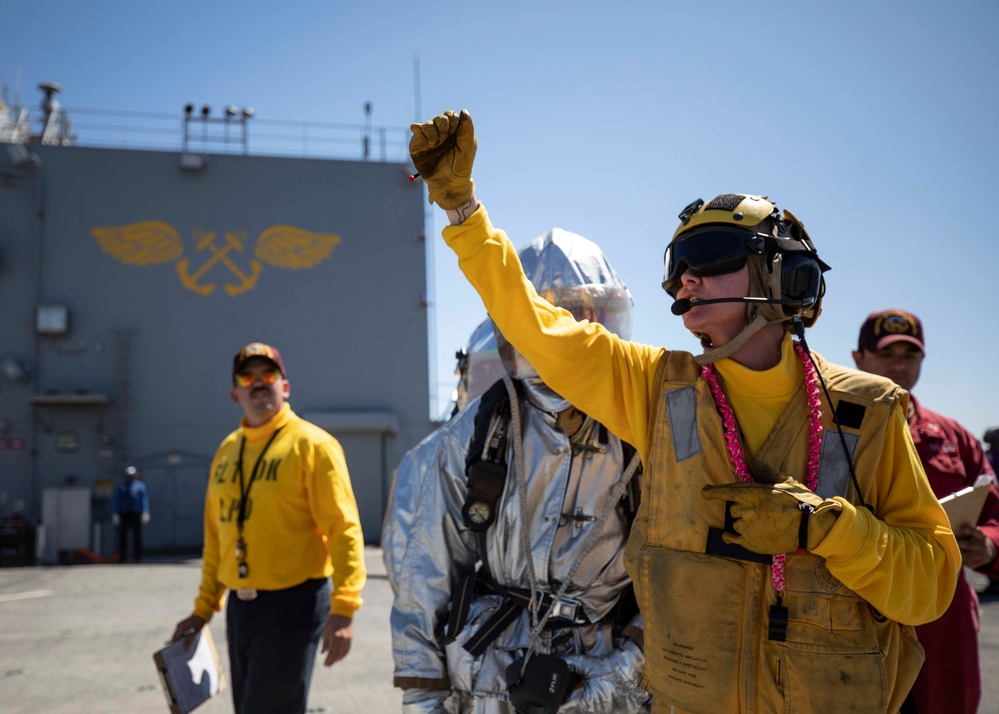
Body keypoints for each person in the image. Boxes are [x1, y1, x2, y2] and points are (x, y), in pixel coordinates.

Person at [407, 109, 961, 713]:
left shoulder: (866, 411)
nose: (686, 280)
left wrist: (826, 530)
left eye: (711, 255)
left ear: (781, 274)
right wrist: (463, 211)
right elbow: (535, 326)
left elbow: (930, 586)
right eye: (678, 266)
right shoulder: (655, 387)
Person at [383, 229, 650, 714]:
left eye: (595, 315)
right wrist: (423, 700)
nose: (579, 334)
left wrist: (626, 667)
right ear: (517, 329)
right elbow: (425, 578)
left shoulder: (644, 433)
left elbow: (678, 574)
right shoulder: (475, 433)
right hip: (489, 684)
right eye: (557, 318)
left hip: (606, 682)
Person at [170, 342, 367, 714]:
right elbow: (217, 537)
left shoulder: (313, 445)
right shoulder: (227, 451)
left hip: (293, 602)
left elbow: (344, 529)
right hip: (240, 609)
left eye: (268, 375)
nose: (259, 383)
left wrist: (344, 607)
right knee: (247, 705)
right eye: (248, 376)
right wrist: (203, 609)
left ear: (285, 387)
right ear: (235, 393)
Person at [852, 309, 999, 714]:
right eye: (887, 353)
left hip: (943, 618)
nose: (899, 364)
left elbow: (994, 514)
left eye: (910, 354)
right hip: (857, 611)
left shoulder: (955, 437)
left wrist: (988, 545)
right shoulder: (830, 427)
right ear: (858, 358)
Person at [112, 465, 149, 563]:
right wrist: (116, 513)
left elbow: (143, 499)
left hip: (136, 513)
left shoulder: (140, 486)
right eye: (129, 476)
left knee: (137, 536)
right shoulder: (121, 486)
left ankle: (138, 558)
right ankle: (122, 558)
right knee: (123, 537)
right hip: (124, 514)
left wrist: (145, 511)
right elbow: (117, 500)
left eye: (132, 476)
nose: (131, 478)